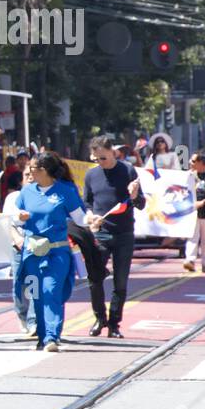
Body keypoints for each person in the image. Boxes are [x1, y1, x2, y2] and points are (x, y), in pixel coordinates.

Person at [14, 151, 88, 352]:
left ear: (44, 171)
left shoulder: (65, 191)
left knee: (51, 291)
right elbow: (13, 220)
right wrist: (19, 218)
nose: (29, 172)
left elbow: (80, 218)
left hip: (57, 253)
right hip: (32, 255)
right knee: (36, 294)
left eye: (33, 169)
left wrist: (93, 220)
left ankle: (51, 337)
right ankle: (41, 334)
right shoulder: (26, 192)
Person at [80, 134, 146, 337]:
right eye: (96, 159)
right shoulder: (91, 175)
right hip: (101, 233)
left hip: (124, 233)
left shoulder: (127, 170)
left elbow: (141, 203)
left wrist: (134, 195)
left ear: (112, 152)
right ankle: (100, 319)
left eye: (103, 158)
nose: (100, 162)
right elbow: (87, 203)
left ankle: (114, 323)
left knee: (120, 280)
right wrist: (91, 216)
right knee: (95, 276)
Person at [3, 157, 38, 336]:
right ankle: (22, 315)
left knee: (34, 283)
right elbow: (7, 221)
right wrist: (16, 238)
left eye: (33, 173)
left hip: (36, 247)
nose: (30, 177)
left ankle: (33, 321)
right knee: (18, 284)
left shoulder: (41, 197)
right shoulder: (13, 197)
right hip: (17, 246)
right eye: (27, 174)